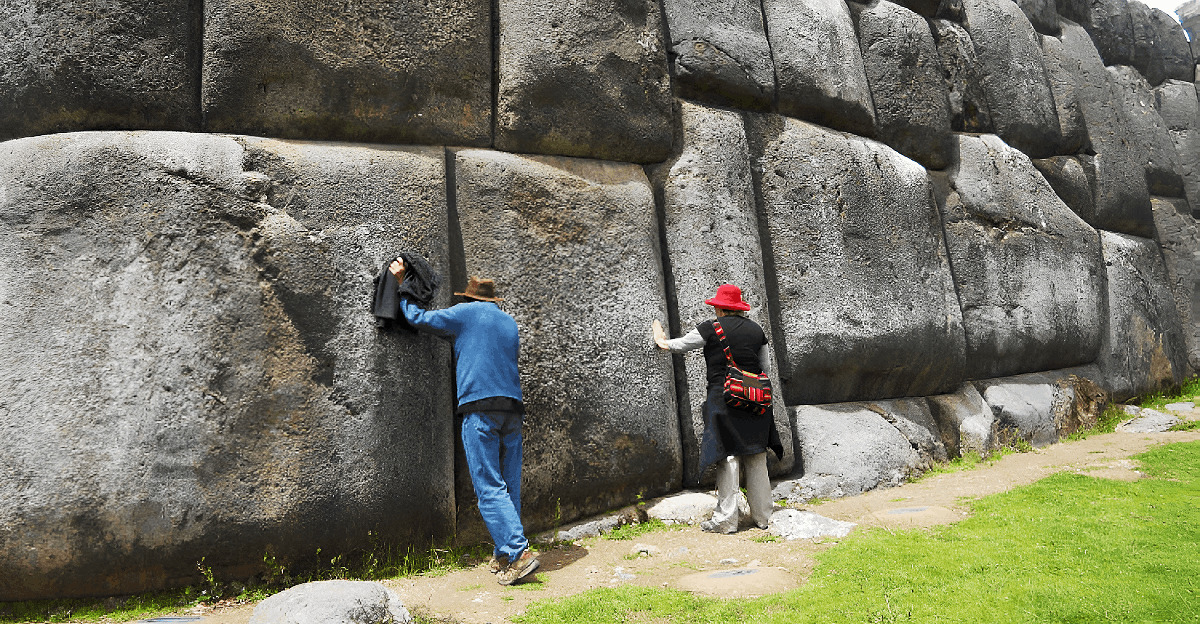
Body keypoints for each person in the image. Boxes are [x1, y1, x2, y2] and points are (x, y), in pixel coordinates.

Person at [389, 259, 539, 586]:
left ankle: (519, 553)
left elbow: (419, 318)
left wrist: (403, 286)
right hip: (513, 410)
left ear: (469, 297)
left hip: (480, 408)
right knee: (508, 484)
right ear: (493, 300)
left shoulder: (465, 313)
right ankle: (504, 552)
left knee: (489, 486)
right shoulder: (509, 322)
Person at [652, 284, 782, 533]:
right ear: (739, 308)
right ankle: (763, 517)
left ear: (720, 309)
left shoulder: (711, 328)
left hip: (724, 400)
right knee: (756, 456)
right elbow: (765, 370)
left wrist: (661, 340)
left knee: (728, 456)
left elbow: (681, 345)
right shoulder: (757, 330)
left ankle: (726, 520)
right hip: (756, 401)